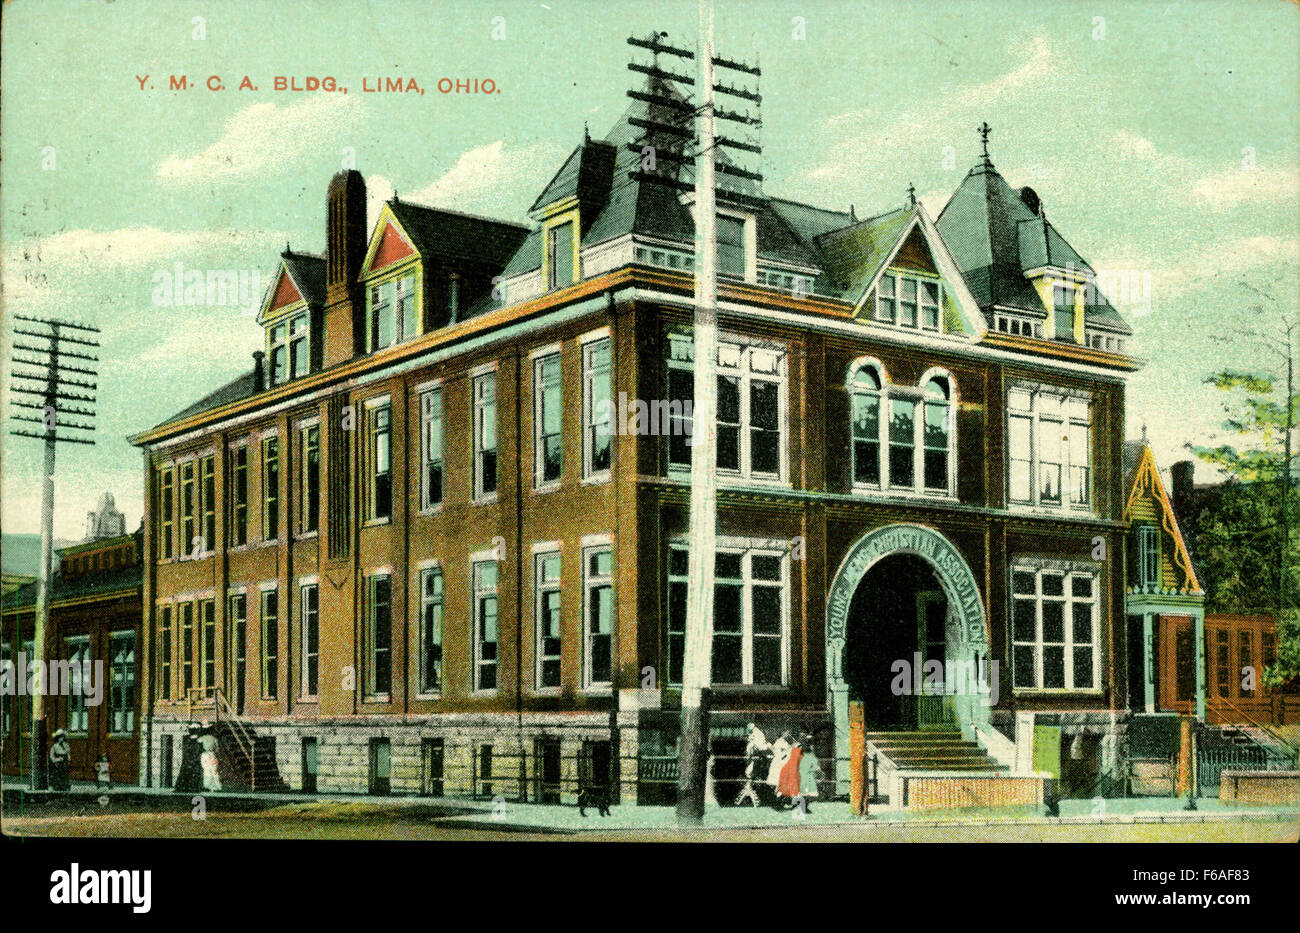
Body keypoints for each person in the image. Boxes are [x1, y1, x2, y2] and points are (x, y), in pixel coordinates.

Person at [766, 730, 793, 809]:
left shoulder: (783, 742)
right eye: (786, 733)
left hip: (780, 765)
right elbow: (780, 753)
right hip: (778, 765)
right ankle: (778, 802)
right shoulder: (781, 742)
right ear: (782, 733)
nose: (788, 735)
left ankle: (780, 801)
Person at [797, 737, 821, 812]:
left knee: (806, 792)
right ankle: (801, 807)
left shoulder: (810, 752)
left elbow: (813, 762)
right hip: (803, 773)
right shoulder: (803, 751)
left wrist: (816, 768)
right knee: (803, 791)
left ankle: (804, 806)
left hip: (806, 773)